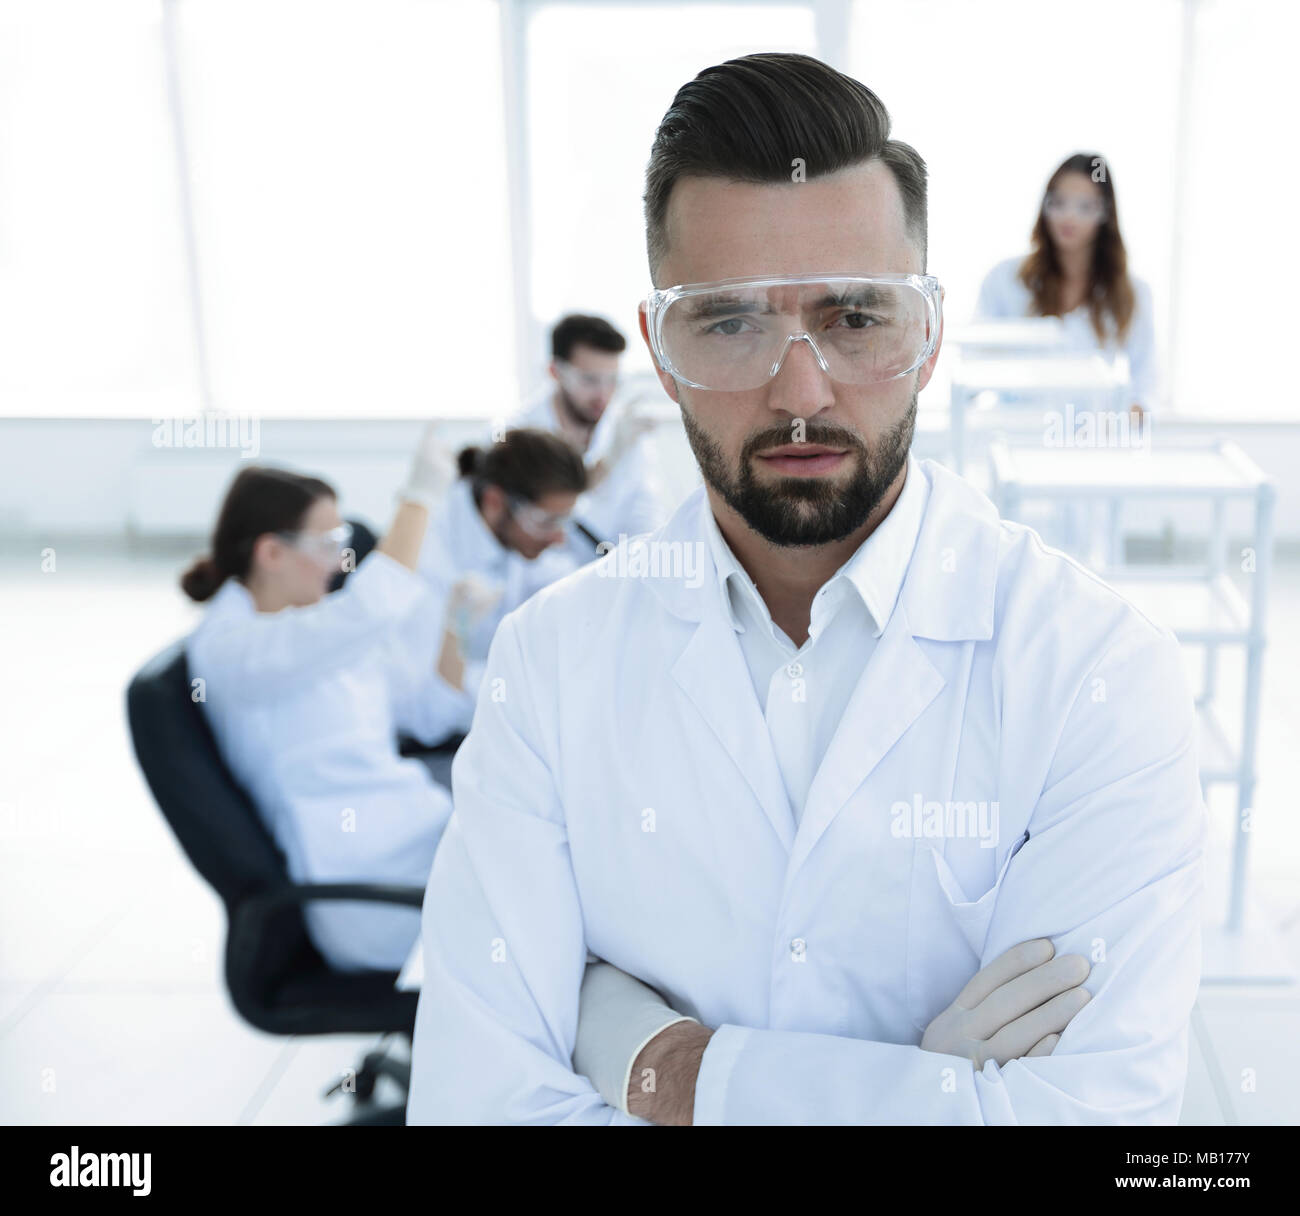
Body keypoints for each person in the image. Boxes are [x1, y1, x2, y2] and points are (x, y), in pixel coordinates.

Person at [407, 53, 1205, 1125]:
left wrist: (667, 1067)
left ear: (926, 336)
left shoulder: (1098, 671)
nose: (798, 389)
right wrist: (929, 1088)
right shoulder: (549, 665)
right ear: (659, 347)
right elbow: (477, 1106)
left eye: (855, 317)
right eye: (730, 321)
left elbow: (1096, 1122)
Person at [184, 431, 466, 973]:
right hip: (369, 895)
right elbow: (373, 607)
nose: (340, 559)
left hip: (421, 840)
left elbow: (426, 713)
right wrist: (421, 494)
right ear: (270, 552)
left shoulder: (305, 630)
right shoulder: (233, 649)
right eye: (327, 540)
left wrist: (457, 624)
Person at [405, 427, 588, 743]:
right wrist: (455, 632)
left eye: (564, 522)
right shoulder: (427, 557)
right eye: (546, 522)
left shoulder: (521, 539)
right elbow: (429, 719)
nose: (560, 539)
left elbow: (573, 602)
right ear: (494, 502)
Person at [975, 152, 1158, 422]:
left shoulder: (1133, 293)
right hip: (1017, 434)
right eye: (1059, 203)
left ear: (1105, 213)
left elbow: (1145, 387)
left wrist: (1112, 427)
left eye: (1085, 206)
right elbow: (976, 365)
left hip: (1091, 445)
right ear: (1044, 206)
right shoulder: (1005, 280)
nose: (1068, 217)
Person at [513, 314, 664, 556]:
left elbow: (644, 513)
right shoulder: (518, 434)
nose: (603, 395)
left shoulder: (625, 432)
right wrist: (607, 463)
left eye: (612, 380)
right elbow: (547, 505)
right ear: (555, 372)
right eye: (589, 380)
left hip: (614, 575)